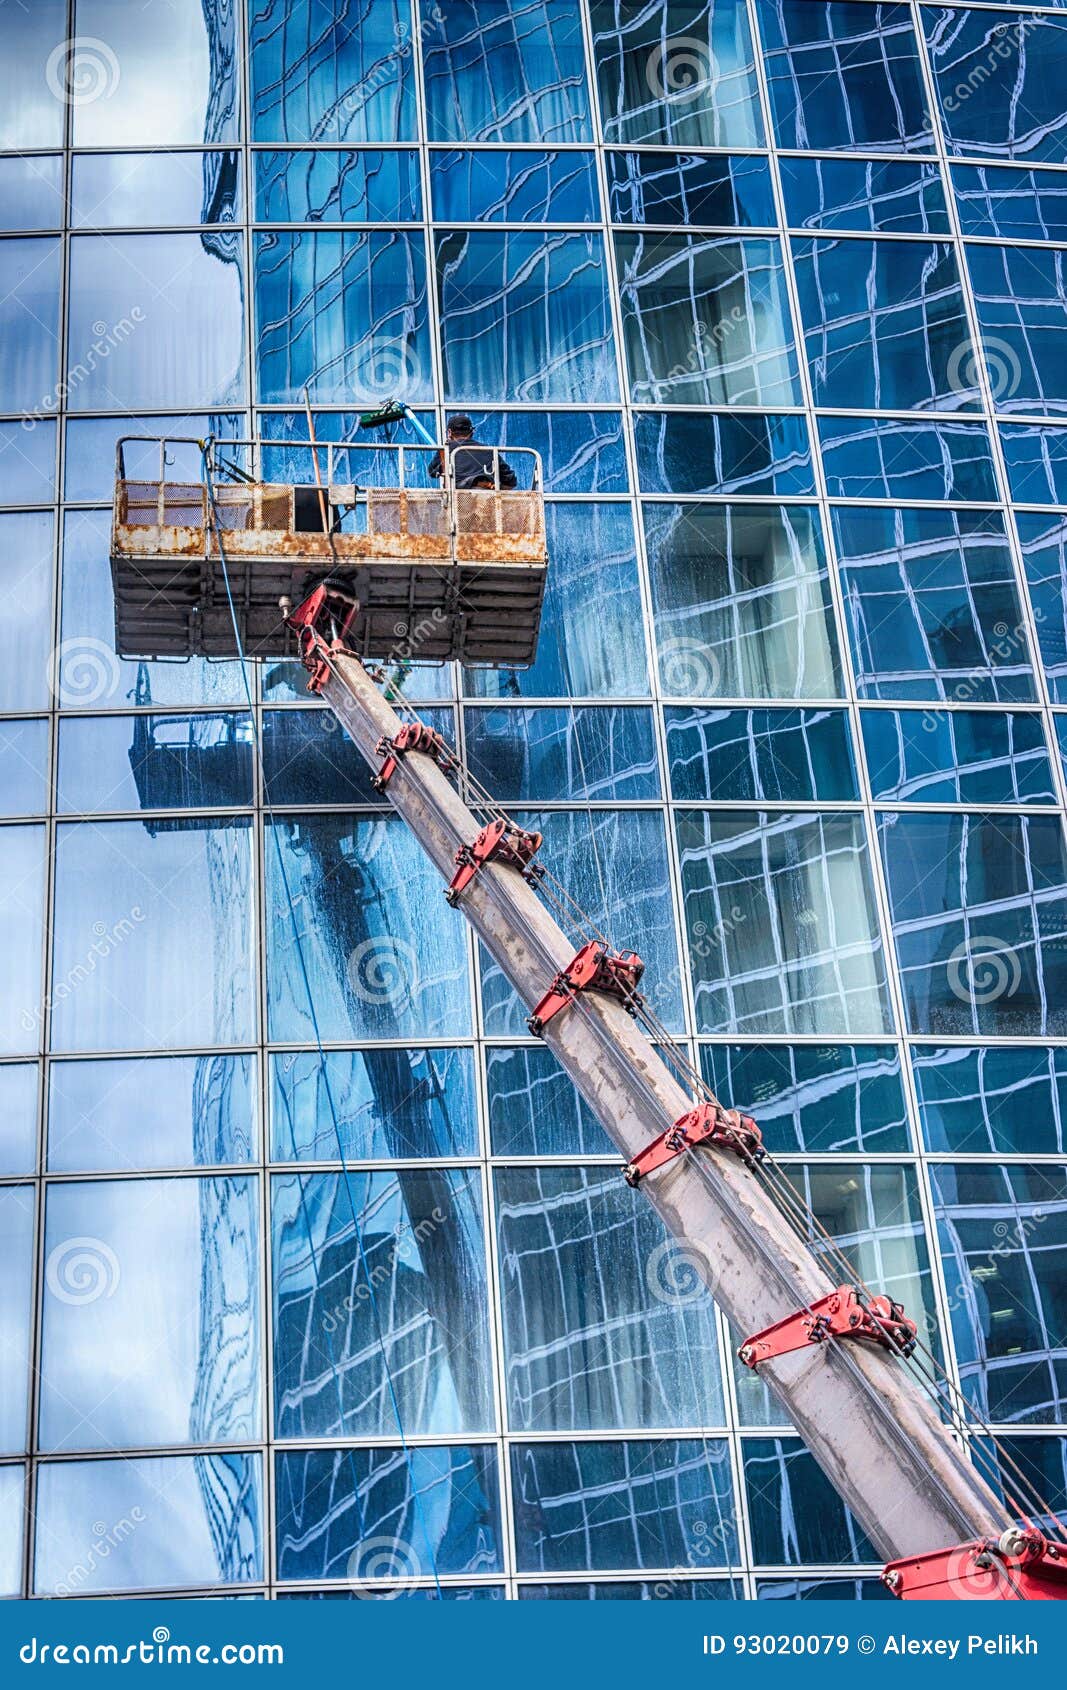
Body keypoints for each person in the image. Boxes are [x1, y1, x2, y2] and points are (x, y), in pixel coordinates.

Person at [428, 414, 517, 490]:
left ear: (450, 432)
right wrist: (495, 490)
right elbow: (510, 480)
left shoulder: (446, 450)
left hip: (457, 503)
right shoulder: (489, 451)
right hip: (486, 503)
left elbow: (432, 472)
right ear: (472, 432)